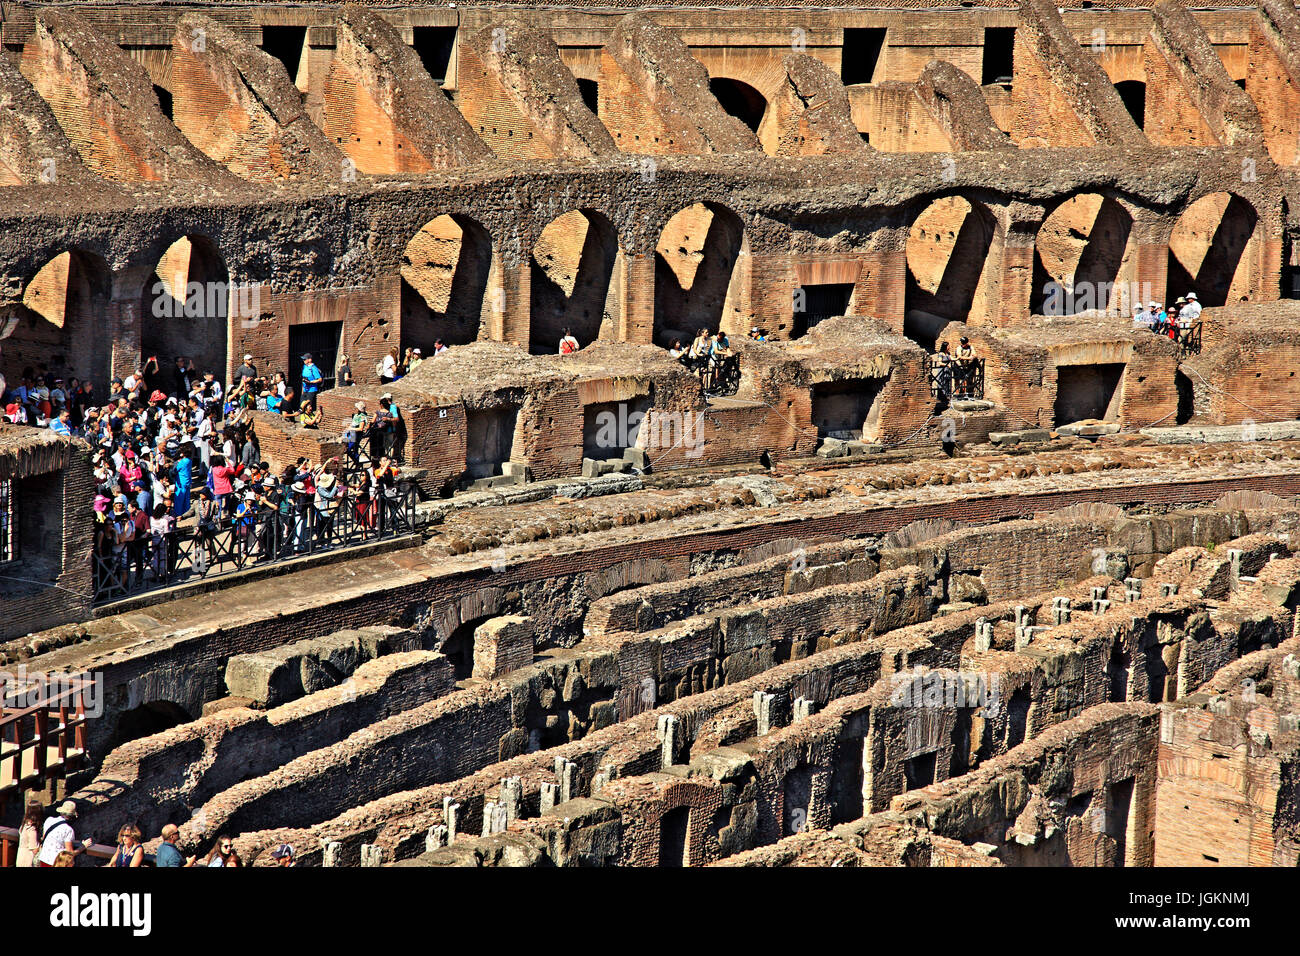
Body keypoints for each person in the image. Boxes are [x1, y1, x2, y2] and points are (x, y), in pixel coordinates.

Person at [37, 801, 92, 867]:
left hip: (43, 858)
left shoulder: (49, 820)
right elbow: (70, 853)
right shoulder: (68, 829)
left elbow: (45, 839)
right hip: (57, 862)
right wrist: (83, 846)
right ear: (72, 816)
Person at [16, 800, 43, 868]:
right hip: (28, 859)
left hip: (21, 856)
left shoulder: (25, 823)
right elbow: (34, 848)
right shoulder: (31, 828)